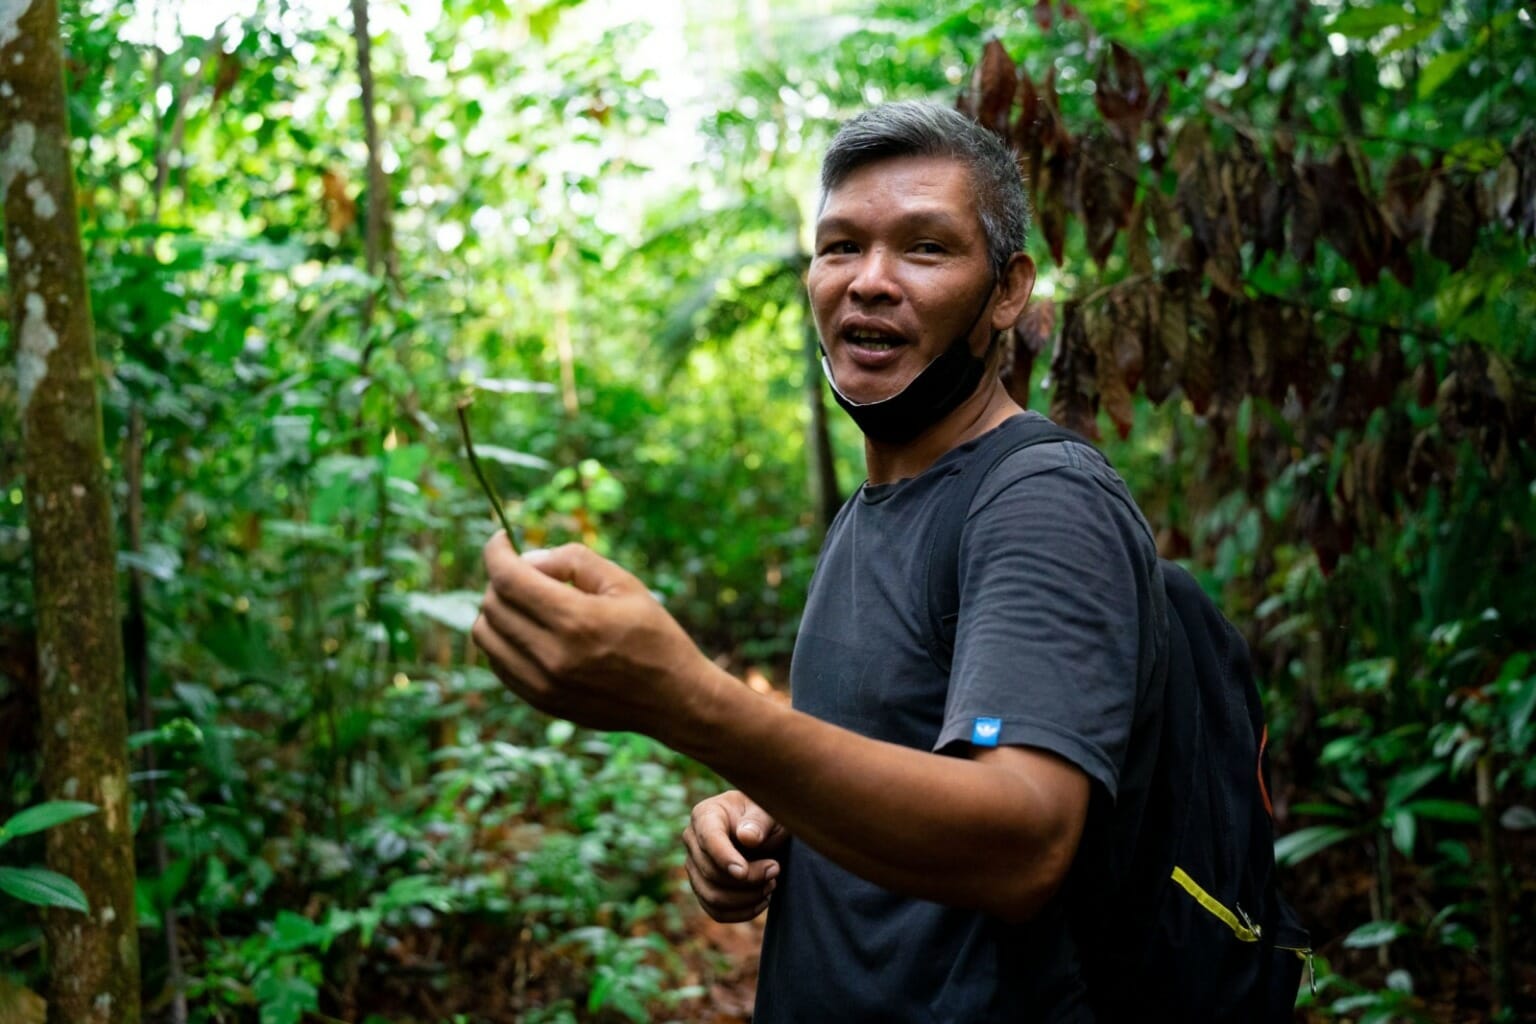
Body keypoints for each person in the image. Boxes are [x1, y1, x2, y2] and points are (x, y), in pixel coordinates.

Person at [474, 100, 1168, 1022]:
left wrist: (693, 703)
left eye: (924, 249)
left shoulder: (1040, 501)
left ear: (1007, 292)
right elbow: (893, 749)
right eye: (840, 246)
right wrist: (762, 809)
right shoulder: (870, 512)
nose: (869, 281)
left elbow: (1024, 841)